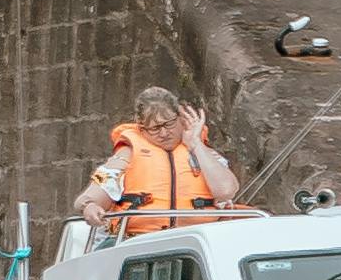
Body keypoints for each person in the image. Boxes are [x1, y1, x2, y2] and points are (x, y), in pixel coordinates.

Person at [85, 86, 237, 233]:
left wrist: (195, 144)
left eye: (169, 124)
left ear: (181, 119)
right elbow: (93, 195)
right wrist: (91, 207)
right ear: (142, 129)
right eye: (155, 128)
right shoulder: (127, 154)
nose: (164, 133)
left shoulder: (204, 152)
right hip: (138, 239)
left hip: (195, 239)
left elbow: (226, 191)